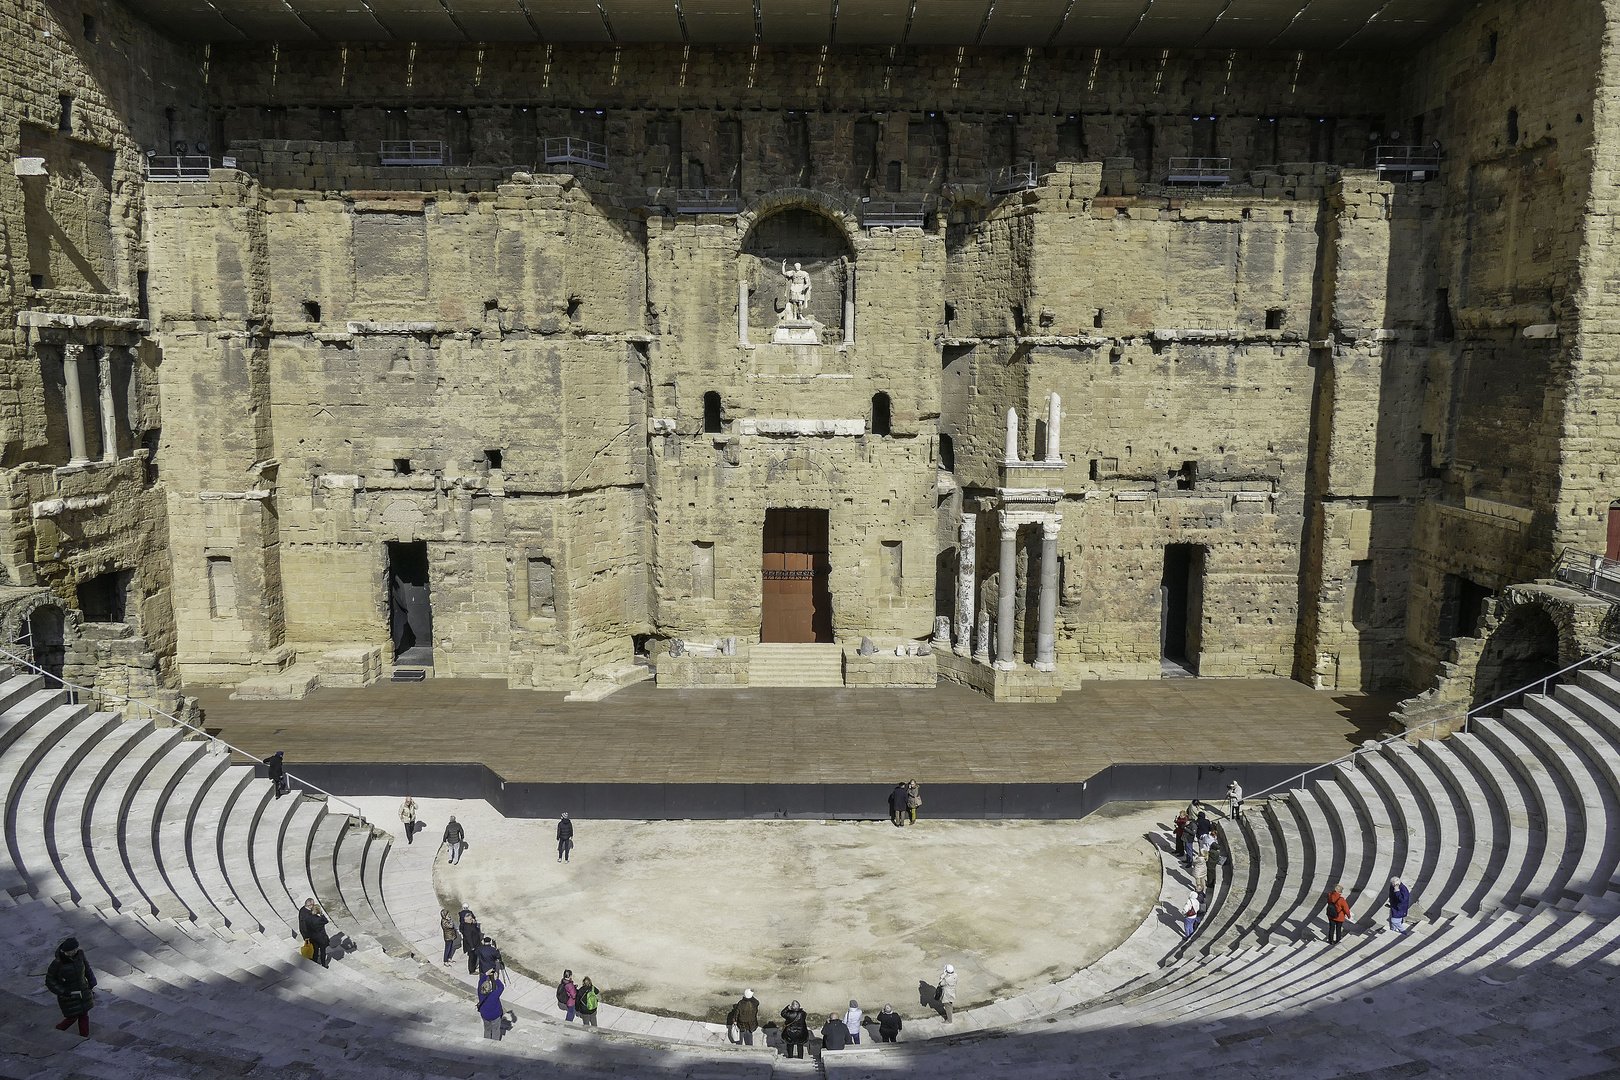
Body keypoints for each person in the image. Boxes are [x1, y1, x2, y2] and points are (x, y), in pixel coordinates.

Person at [46, 937, 96, 1037]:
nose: (75, 951)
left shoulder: (80, 955)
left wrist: (92, 981)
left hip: (83, 990)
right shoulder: (58, 962)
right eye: (72, 950)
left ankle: (84, 1036)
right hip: (69, 994)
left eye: (76, 949)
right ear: (66, 951)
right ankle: (59, 1029)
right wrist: (63, 991)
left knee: (84, 1015)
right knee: (72, 1016)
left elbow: (87, 968)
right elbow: (50, 981)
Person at [299, 898, 330, 968]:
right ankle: (323, 964)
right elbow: (326, 921)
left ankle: (315, 962)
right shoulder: (319, 919)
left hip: (313, 937)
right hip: (321, 937)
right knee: (322, 951)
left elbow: (305, 925)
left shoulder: (307, 918)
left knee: (315, 950)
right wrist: (321, 914)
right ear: (310, 905)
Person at [477, 970, 505, 1041]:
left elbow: (480, 982)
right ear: (490, 989)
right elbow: (501, 987)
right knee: (495, 1030)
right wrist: (496, 979)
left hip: (485, 1015)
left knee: (487, 1030)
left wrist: (486, 974)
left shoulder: (480, 993)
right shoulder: (494, 994)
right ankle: (495, 1043)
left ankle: (486, 1041)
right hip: (495, 1016)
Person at [459, 907, 481, 974]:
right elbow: (468, 938)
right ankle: (471, 970)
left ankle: (474, 966)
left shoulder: (470, 924)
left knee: (475, 956)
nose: (472, 919)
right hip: (472, 945)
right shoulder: (466, 928)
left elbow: (477, 930)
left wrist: (474, 923)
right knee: (472, 958)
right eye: (470, 919)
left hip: (476, 943)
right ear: (466, 920)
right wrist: (472, 946)